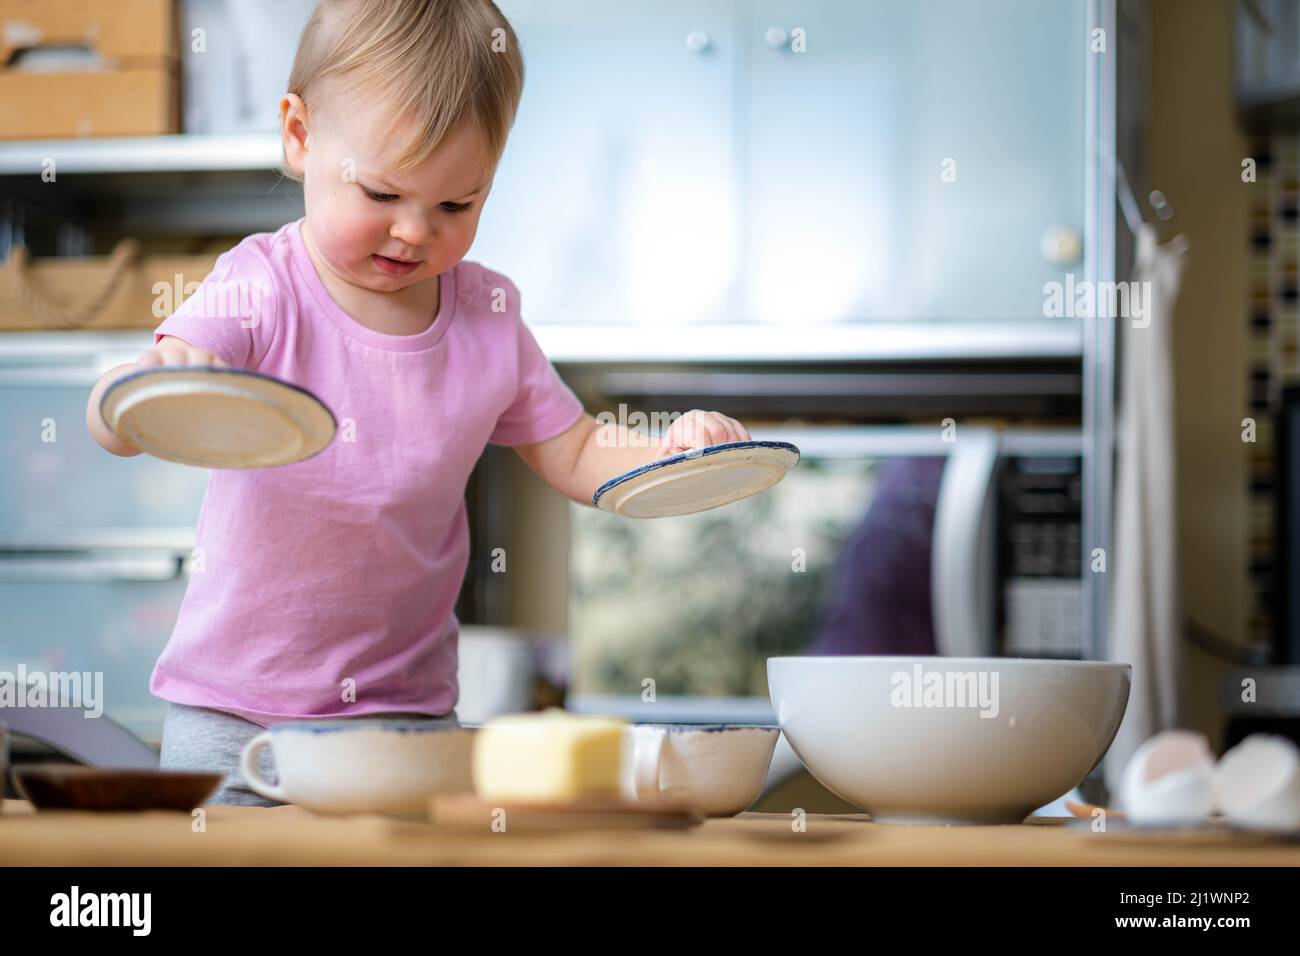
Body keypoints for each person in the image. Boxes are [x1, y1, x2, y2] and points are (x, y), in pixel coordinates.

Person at [84, 0, 747, 805]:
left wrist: (670, 451)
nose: (412, 232)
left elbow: (574, 449)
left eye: (455, 206)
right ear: (300, 137)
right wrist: (155, 387)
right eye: (383, 193)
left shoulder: (489, 315)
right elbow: (151, 392)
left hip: (403, 720)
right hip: (234, 715)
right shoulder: (262, 287)